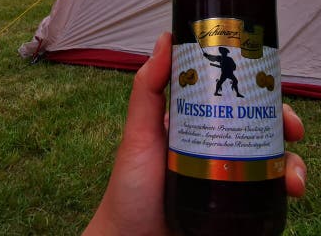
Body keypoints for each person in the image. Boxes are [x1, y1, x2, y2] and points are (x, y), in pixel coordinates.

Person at [84, 31, 308, 236]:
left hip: (240, 208)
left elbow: (217, 60)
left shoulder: (227, 59)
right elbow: (214, 61)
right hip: (186, 208)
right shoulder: (223, 59)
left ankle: (234, 95)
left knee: (232, 83)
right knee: (225, 83)